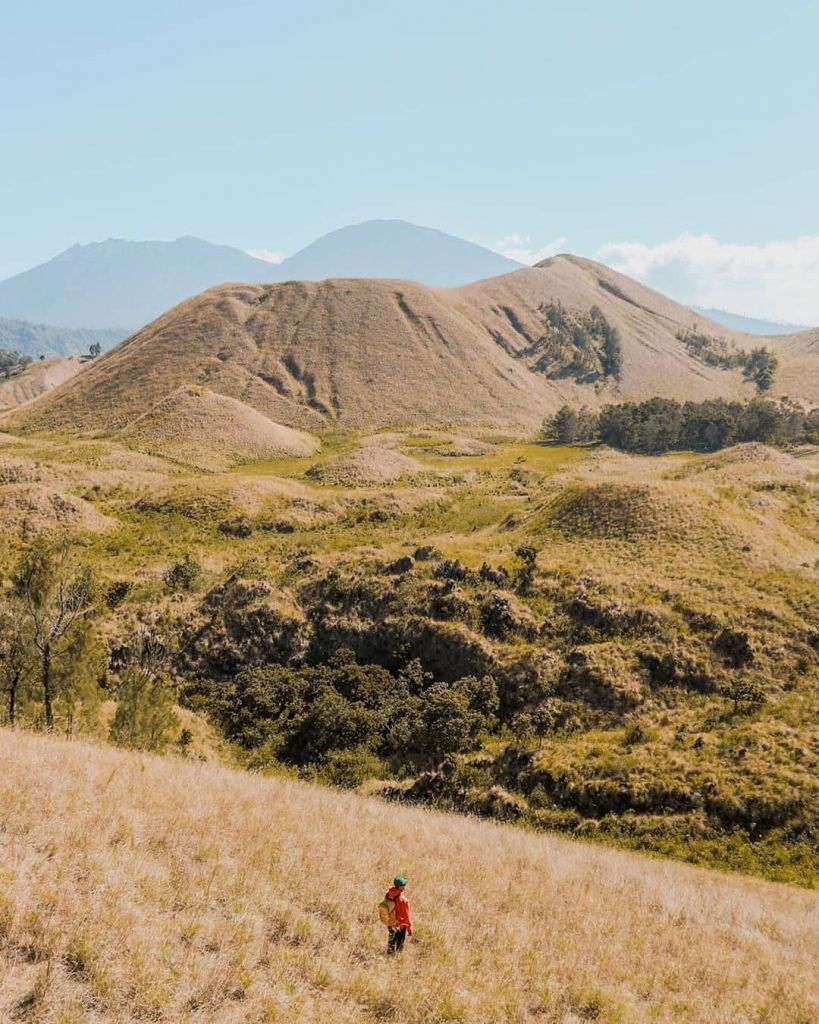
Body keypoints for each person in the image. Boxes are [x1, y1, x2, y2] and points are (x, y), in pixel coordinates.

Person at [383, 875, 412, 954]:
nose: (405, 887)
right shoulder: (403, 900)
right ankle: (398, 957)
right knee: (400, 943)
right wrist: (409, 928)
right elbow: (407, 916)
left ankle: (389, 953)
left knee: (391, 939)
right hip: (400, 925)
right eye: (403, 885)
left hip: (390, 922)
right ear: (400, 887)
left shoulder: (389, 894)